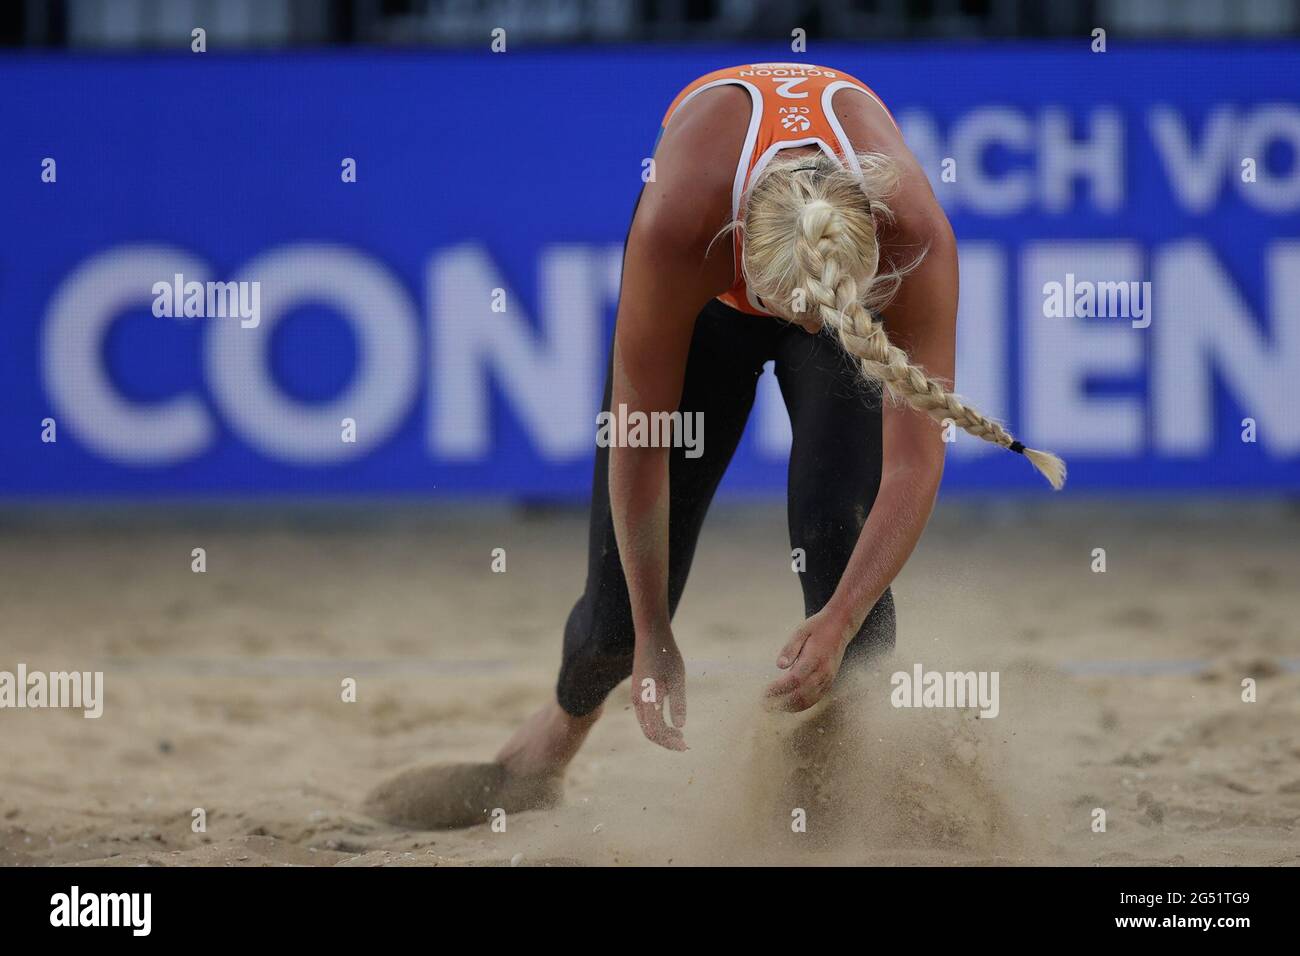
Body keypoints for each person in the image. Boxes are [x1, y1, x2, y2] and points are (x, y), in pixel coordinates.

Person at [365, 62, 1063, 829]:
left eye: (814, 321)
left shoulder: (910, 237)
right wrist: (655, 635)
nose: (801, 330)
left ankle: (849, 781)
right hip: (720, 285)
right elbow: (642, 446)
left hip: (830, 274)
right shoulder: (678, 227)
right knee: (617, 620)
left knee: (842, 543)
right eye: (785, 311)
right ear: (738, 257)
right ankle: (539, 754)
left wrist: (838, 621)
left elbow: (913, 466)